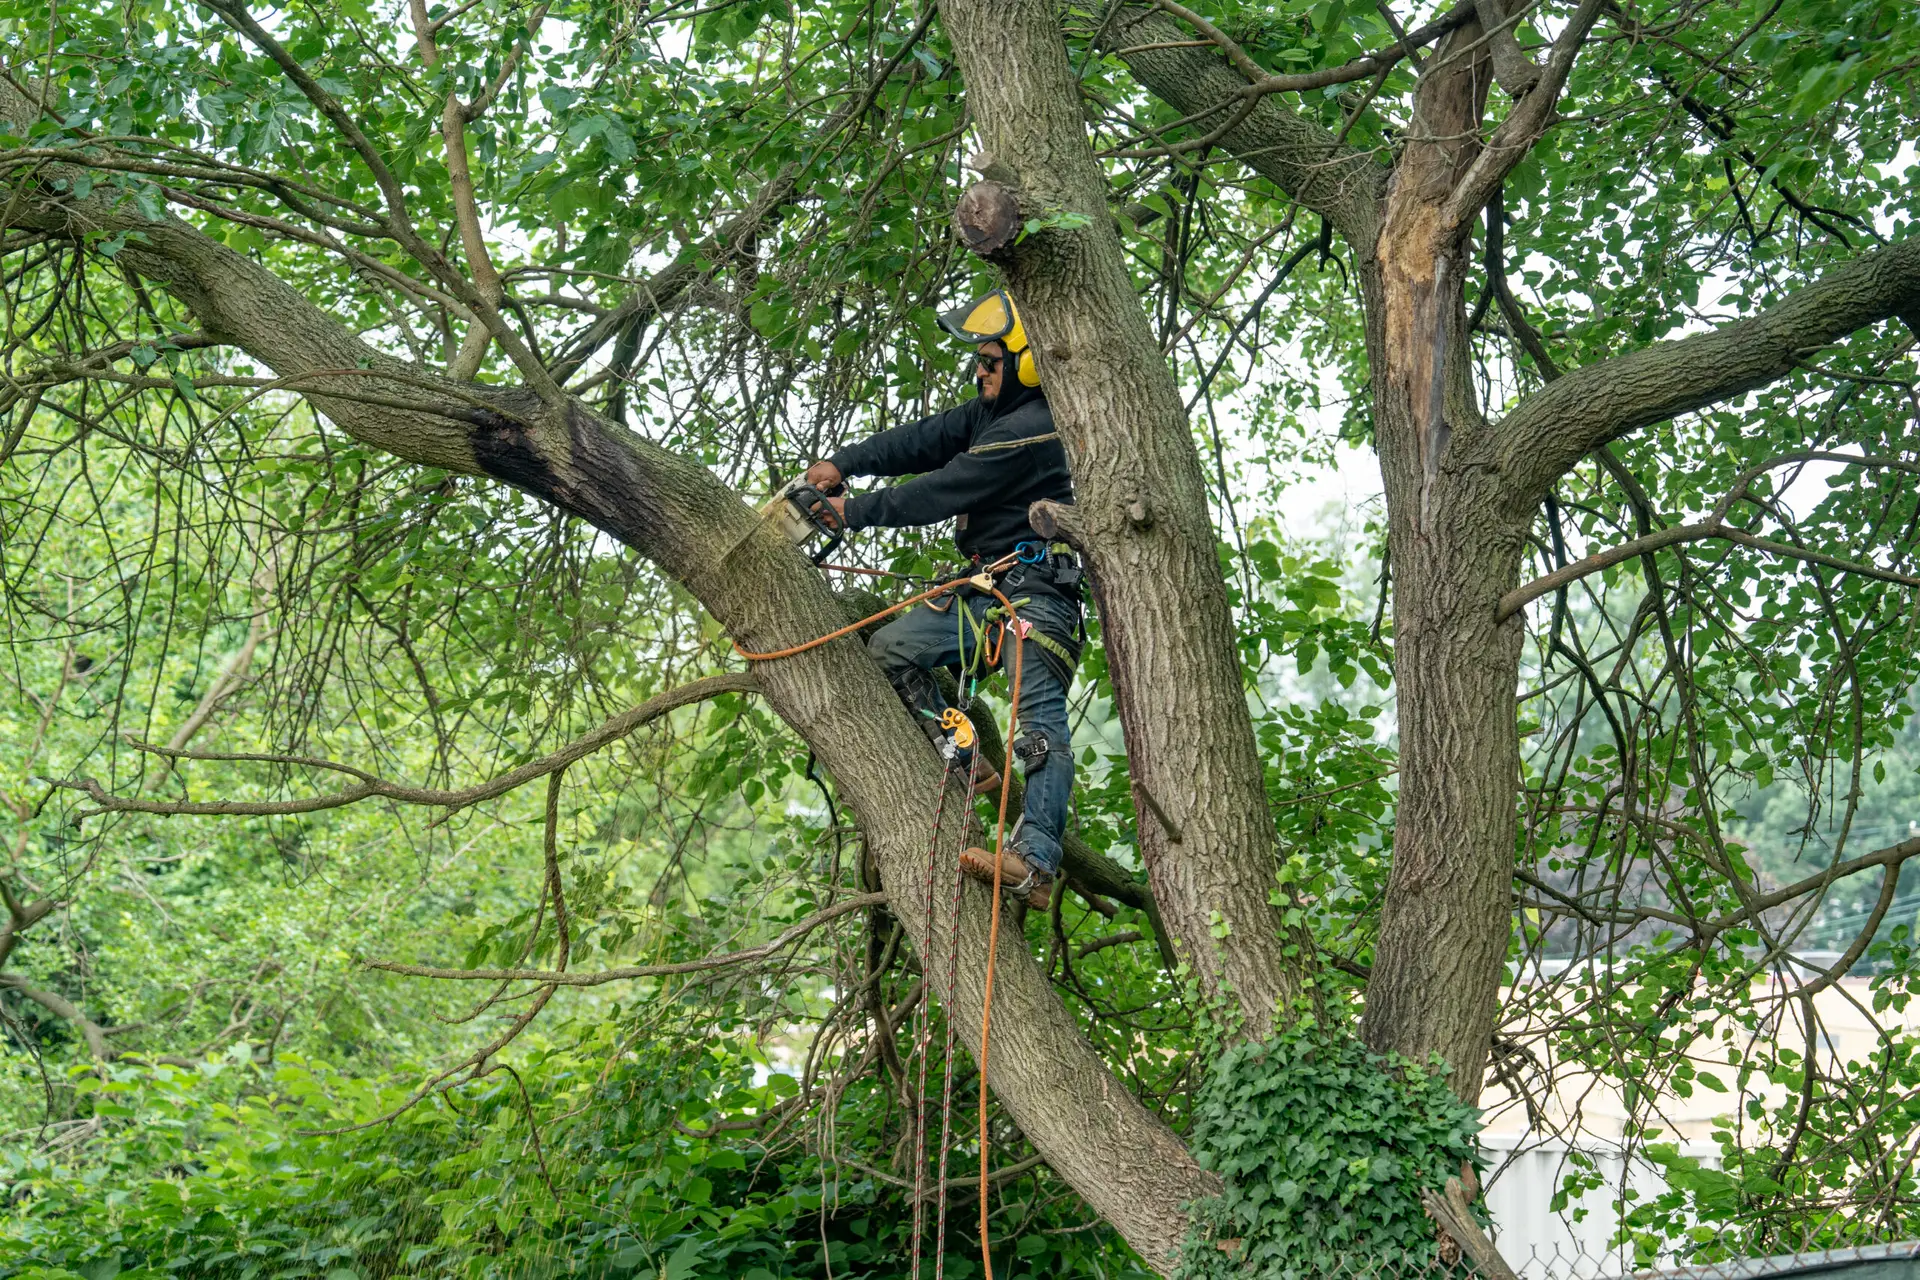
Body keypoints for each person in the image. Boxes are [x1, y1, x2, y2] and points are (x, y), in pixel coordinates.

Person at [802, 290, 1081, 911]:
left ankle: (1035, 861)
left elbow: (944, 488)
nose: (979, 371)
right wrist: (842, 463)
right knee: (890, 652)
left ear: (1025, 366)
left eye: (989, 361)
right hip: (983, 591)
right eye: (978, 361)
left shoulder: (1037, 426)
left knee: (1037, 724)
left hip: (1036, 596)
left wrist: (854, 513)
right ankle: (965, 759)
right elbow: (922, 441)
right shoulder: (991, 412)